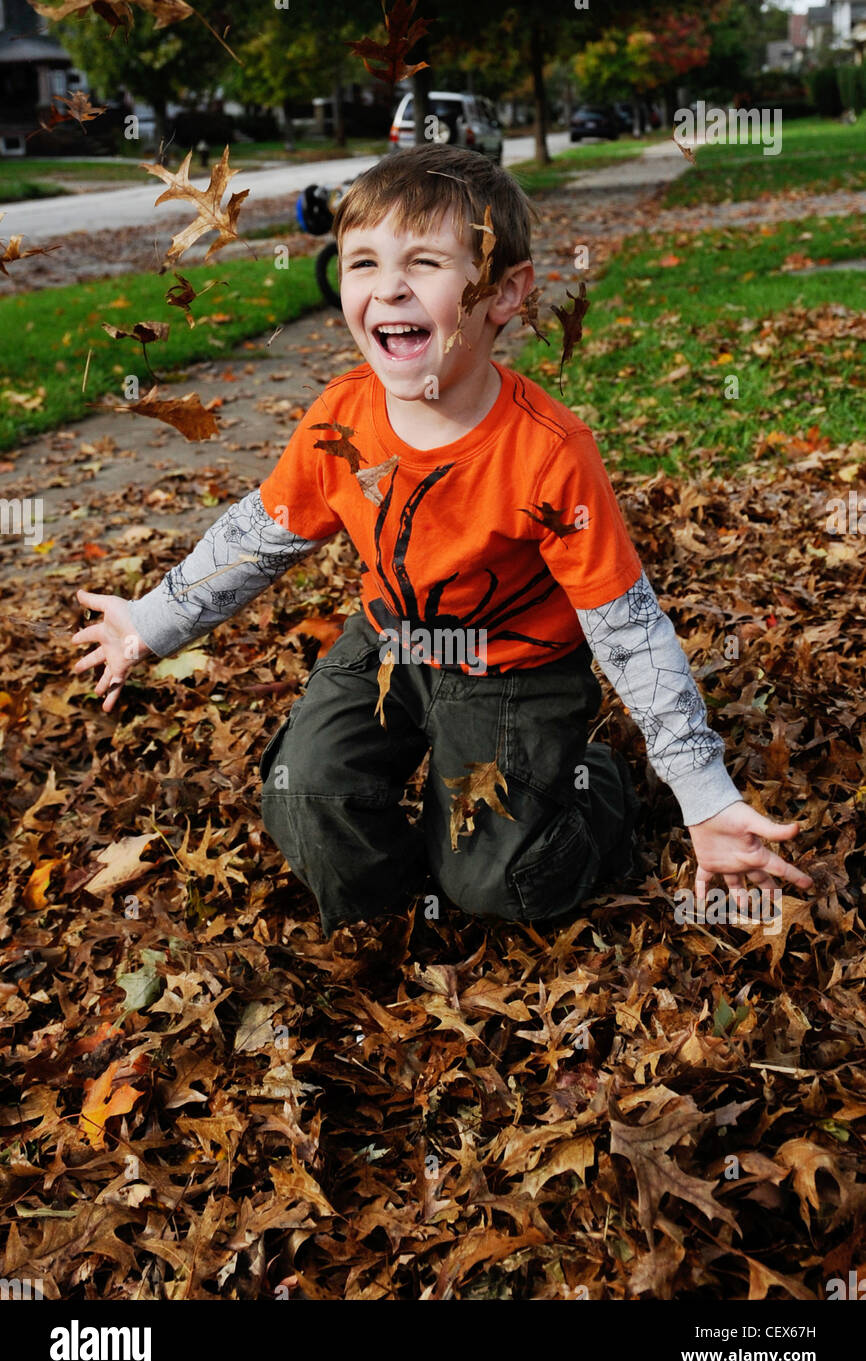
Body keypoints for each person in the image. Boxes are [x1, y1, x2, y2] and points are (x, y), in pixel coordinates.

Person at [71, 144, 813, 939]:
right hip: (393, 642)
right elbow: (262, 534)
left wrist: (702, 795)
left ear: (504, 294)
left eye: (424, 262)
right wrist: (152, 622)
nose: (388, 286)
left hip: (515, 670)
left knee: (506, 883)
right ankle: (409, 902)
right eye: (362, 262)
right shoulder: (339, 418)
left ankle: (591, 787)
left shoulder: (549, 453)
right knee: (305, 794)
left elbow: (628, 629)